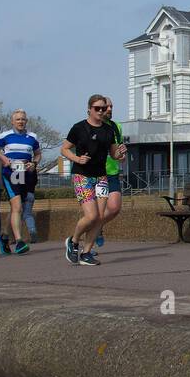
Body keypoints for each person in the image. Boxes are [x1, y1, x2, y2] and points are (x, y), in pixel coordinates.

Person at [60, 94, 125, 266]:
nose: (101, 111)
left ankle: (86, 253)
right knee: (91, 215)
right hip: (82, 176)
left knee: (100, 217)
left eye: (103, 108)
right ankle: (73, 241)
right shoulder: (79, 128)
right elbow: (64, 149)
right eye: (97, 108)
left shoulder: (109, 130)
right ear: (89, 109)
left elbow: (114, 154)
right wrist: (77, 159)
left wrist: (121, 153)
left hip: (101, 176)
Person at [0, 109, 40, 254]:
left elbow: (38, 154)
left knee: (16, 208)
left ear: (26, 121)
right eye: (18, 119)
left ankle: (4, 236)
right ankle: (19, 242)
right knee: (18, 207)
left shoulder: (32, 137)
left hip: (24, 174)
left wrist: (34, 163)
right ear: (13, 122)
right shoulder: (5, 135)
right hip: (11, 173)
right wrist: (4, 159)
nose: (21, 122)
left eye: (23, 119)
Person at [94, 98, 124, 249]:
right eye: (107, 106)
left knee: (114, 207)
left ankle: (96, 227)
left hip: (112, 172)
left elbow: (117, 152)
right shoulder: (91, 126)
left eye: (112, 106)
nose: (110, 109)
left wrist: (122, 155)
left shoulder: (116, 126)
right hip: (95, 174)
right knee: (95, 212)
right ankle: (89, 238)